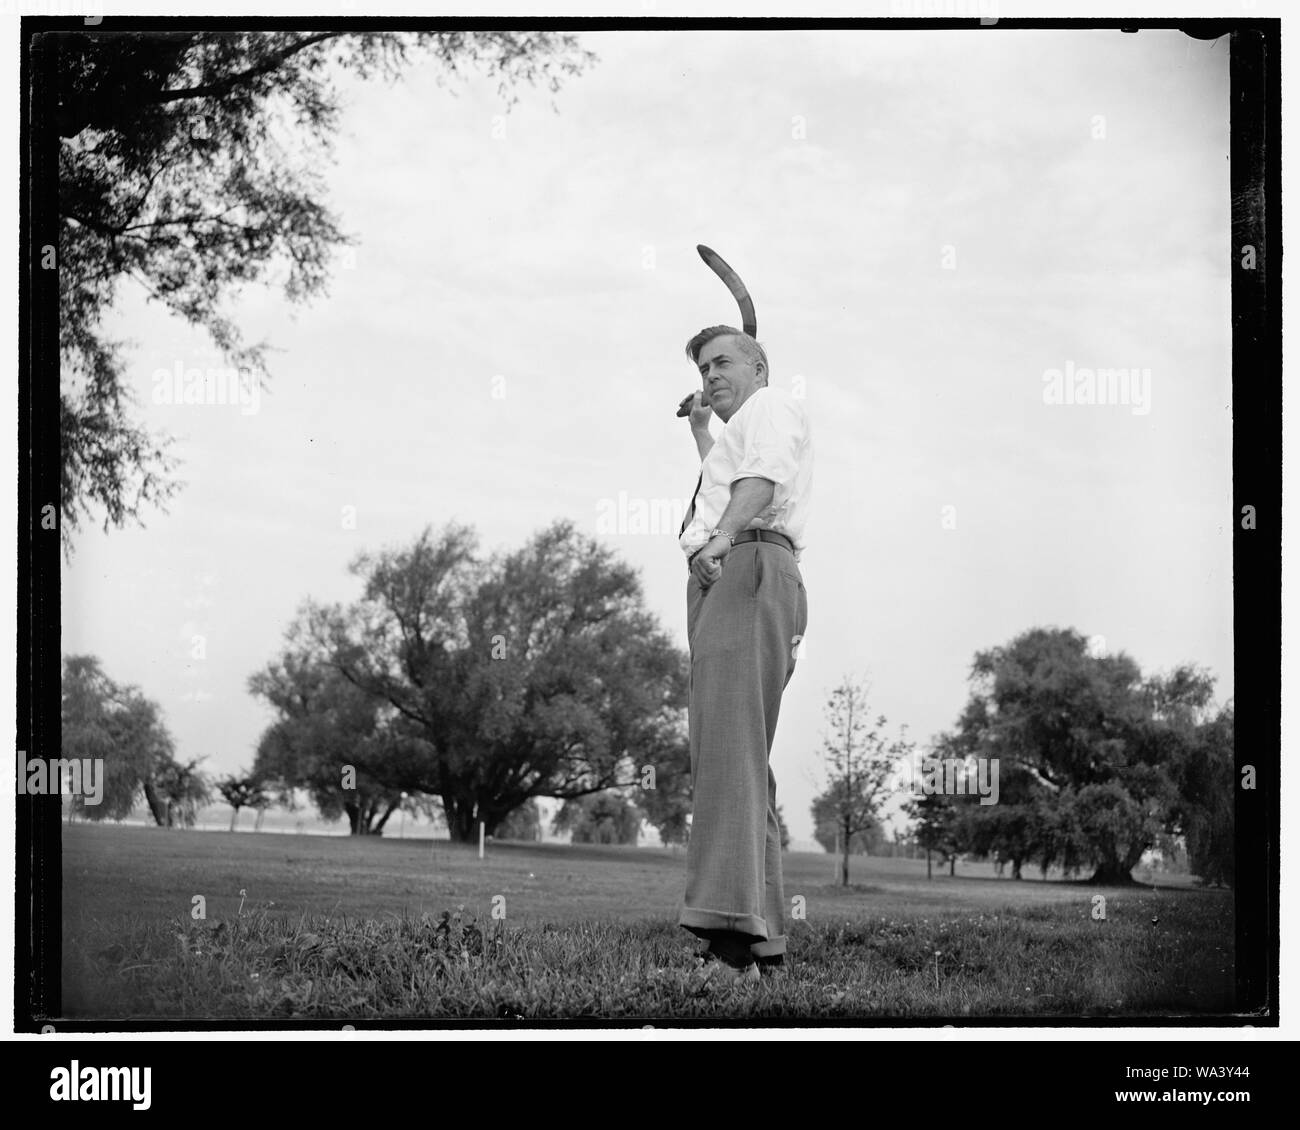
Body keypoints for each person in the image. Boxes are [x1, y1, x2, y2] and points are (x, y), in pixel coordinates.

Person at [675, 324, 812, 989]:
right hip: (726, 569)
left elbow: (757, 481)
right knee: (733, 755)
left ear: (760, 366)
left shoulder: (772, 406)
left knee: (730, 754)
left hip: (747, 562)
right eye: (703, 368)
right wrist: (703, 432)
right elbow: (727, 474)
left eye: (723, 361)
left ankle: (726, 944)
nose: (711, 374)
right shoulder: (740, 424)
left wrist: (724, 541)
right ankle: (764, 946)